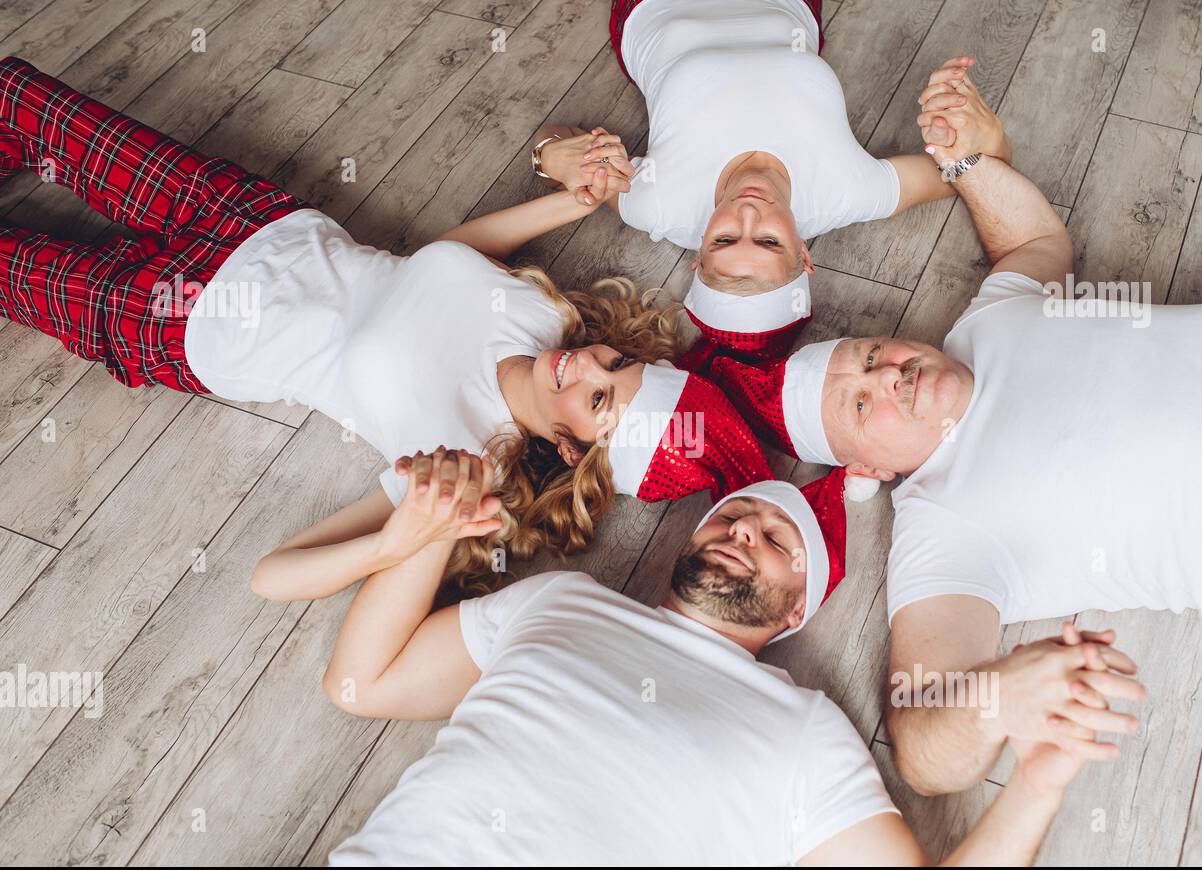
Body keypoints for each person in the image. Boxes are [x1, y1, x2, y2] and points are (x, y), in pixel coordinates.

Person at [0, 56, 770, 605]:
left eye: (600, 401)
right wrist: (575, 197)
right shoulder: (543, 315)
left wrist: (397, 545)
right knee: (18, 97)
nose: (585, 367)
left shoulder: (470, 464)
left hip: (181, 322)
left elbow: (273, 575)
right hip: (254, 218)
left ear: (573, 451)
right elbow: (456, 253)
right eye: (616, 363)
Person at [718, 69, 1202, 797]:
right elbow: (924, 752)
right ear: (868, 469)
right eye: (862, 407)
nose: (888, 376)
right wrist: (998, 699)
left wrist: (967, 162)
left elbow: (1033, 238)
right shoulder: (943, 530)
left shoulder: (984, 322)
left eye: (870, 356)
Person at [323, 450, 1114, 865]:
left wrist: (1039, 779)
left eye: (778, 542)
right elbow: (363, 683)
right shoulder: (559, 599)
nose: (744, 533)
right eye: (734, 518)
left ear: (798, 611)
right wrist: (429, 530)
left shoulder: (805, 731)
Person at [533, 5, 1011, 365]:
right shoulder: (847, 191)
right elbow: (974, 171)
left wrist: (555, 157)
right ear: (804, 254)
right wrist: (974, 128)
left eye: (724, 239)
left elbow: (555, 141)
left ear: (698, 251)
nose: (747, 214)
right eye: (767, 240)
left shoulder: (657, 204)